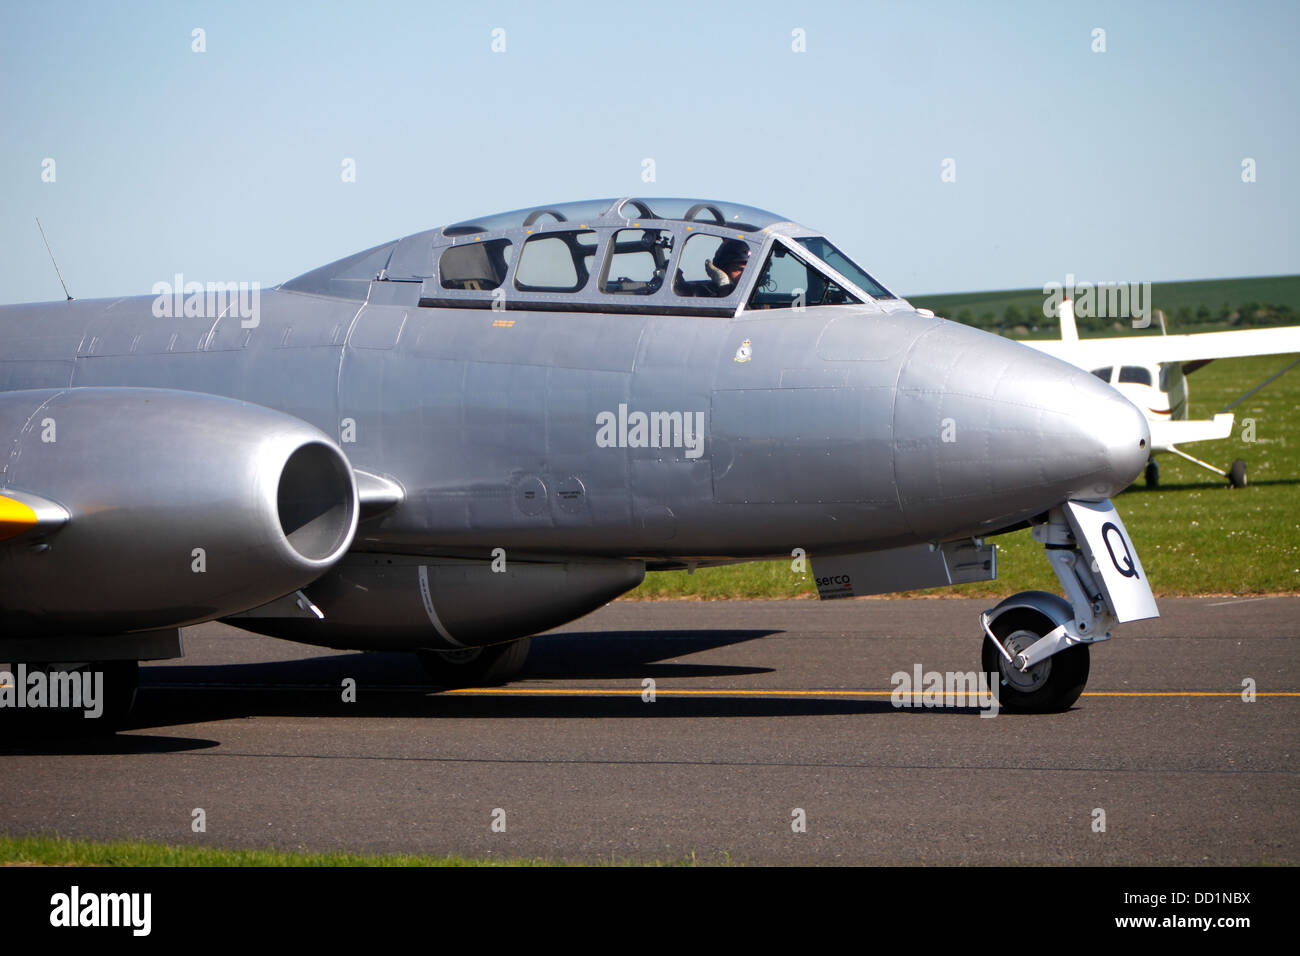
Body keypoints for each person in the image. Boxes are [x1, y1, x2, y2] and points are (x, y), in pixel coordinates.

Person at [677, 238, 751, 297]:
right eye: (738, 269)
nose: (744, 276)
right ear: (722, 270)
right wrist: (725, 286)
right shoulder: (703, 296)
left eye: (749, 270)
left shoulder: (756, 298)